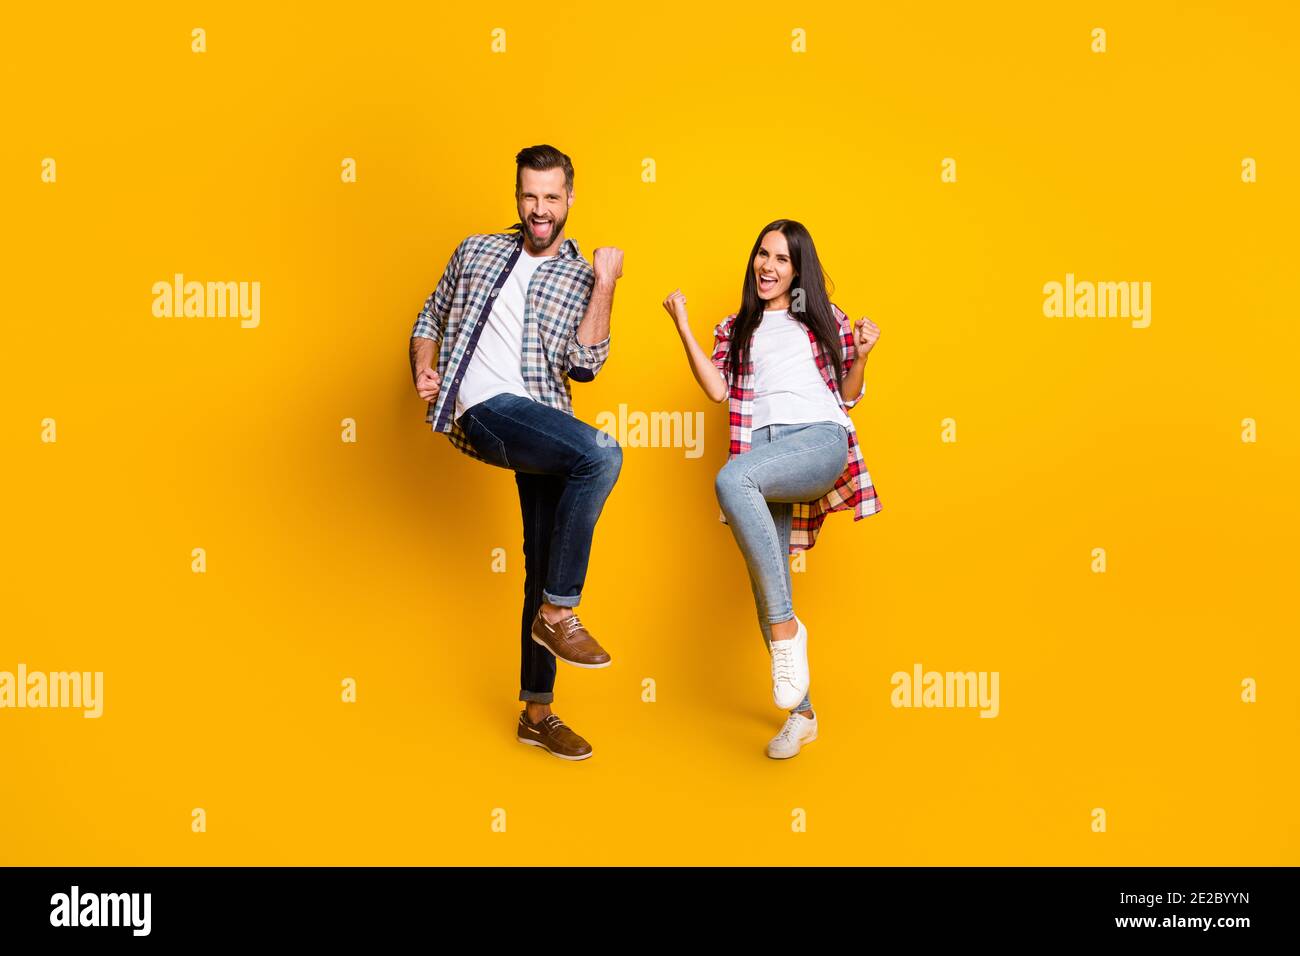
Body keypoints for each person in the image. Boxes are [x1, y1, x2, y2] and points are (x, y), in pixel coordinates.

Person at [410, 144, 625, 760]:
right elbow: (429, 318)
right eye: (529, 196)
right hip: (481, 408)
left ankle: (537, 713)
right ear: (517, 195)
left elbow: (584, 366)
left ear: (569, 199)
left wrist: (606, 282)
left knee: (542, 557)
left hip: (546, 420)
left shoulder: (585, 276)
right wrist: (424, 369)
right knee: (604, 455)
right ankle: (562, 612)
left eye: (551, 198)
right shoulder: (476, 251)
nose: (539, 209)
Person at [663, 219, 882, 759]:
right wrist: (683, 326)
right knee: (769, 586)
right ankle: (802, 714)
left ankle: (787, 634)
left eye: (782, 259)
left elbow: (849, 396)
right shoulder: (735, 328)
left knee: (730, 477)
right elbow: (717, 390)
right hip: (763, 449)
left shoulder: (823, 318)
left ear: (797, 268)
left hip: (818, 440)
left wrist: (864, 354)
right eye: (763, 255)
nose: (768, 266)